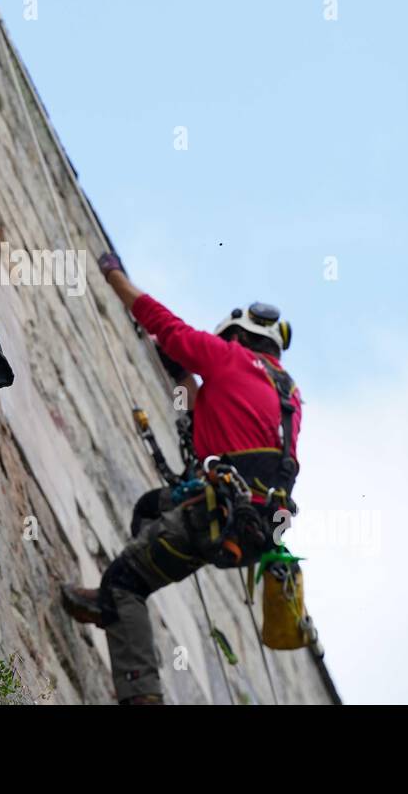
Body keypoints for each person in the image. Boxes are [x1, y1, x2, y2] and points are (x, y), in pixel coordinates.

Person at [61, 253, 303, 704]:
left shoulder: (231, 359)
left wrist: (114, 277)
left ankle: (140, 688)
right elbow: (214, 428)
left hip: (216, 514)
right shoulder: (288, 394)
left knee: (123, 585)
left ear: (238, 335)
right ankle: (129, 583)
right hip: (254, 527)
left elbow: (165, 326)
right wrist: (182, 381)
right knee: (150, 508)